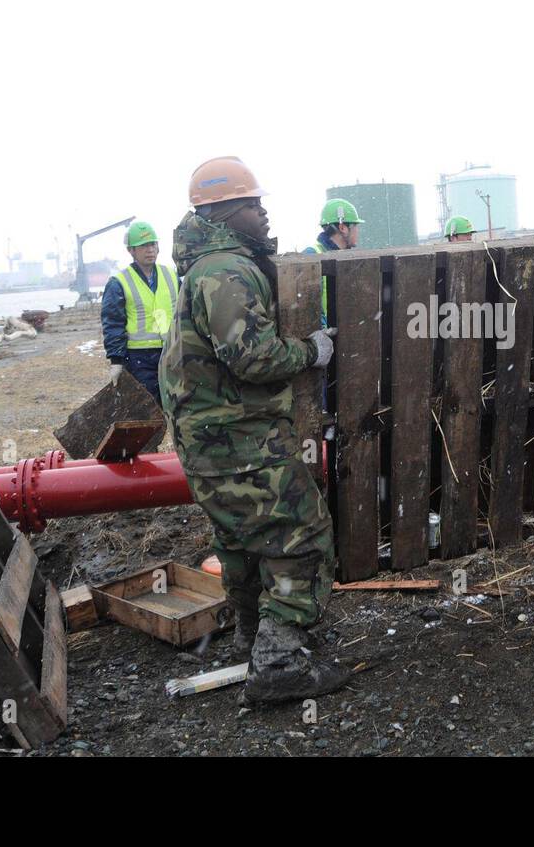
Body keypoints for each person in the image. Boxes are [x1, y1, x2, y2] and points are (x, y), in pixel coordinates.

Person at [159, 156, 348, 703]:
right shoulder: (225, 269)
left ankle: (253, 641)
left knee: (242, 543)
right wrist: (311, 351)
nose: (264, 213)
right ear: (223, 211)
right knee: (301, 537)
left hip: (213, 439)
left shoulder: (209, 264)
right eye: (253, 204)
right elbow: (252, 356)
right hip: (237, 439)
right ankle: (279, 664)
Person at [100, 221, 179, 403]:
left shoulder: (171, 275)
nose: (150, 249)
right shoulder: (119, 282)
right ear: (131, 251)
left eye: (153, 244)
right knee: (149, 406)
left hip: (172, 351)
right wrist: (116, 360)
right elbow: (113, 324)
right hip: (139, 358)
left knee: (176, 405)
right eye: (143, 246)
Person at [303, 198, 364, 322]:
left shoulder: (348, 258)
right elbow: (308, 308)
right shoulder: (312, 255)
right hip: (326, 337)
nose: (358, 231)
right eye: (355, 226)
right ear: (342, 228)